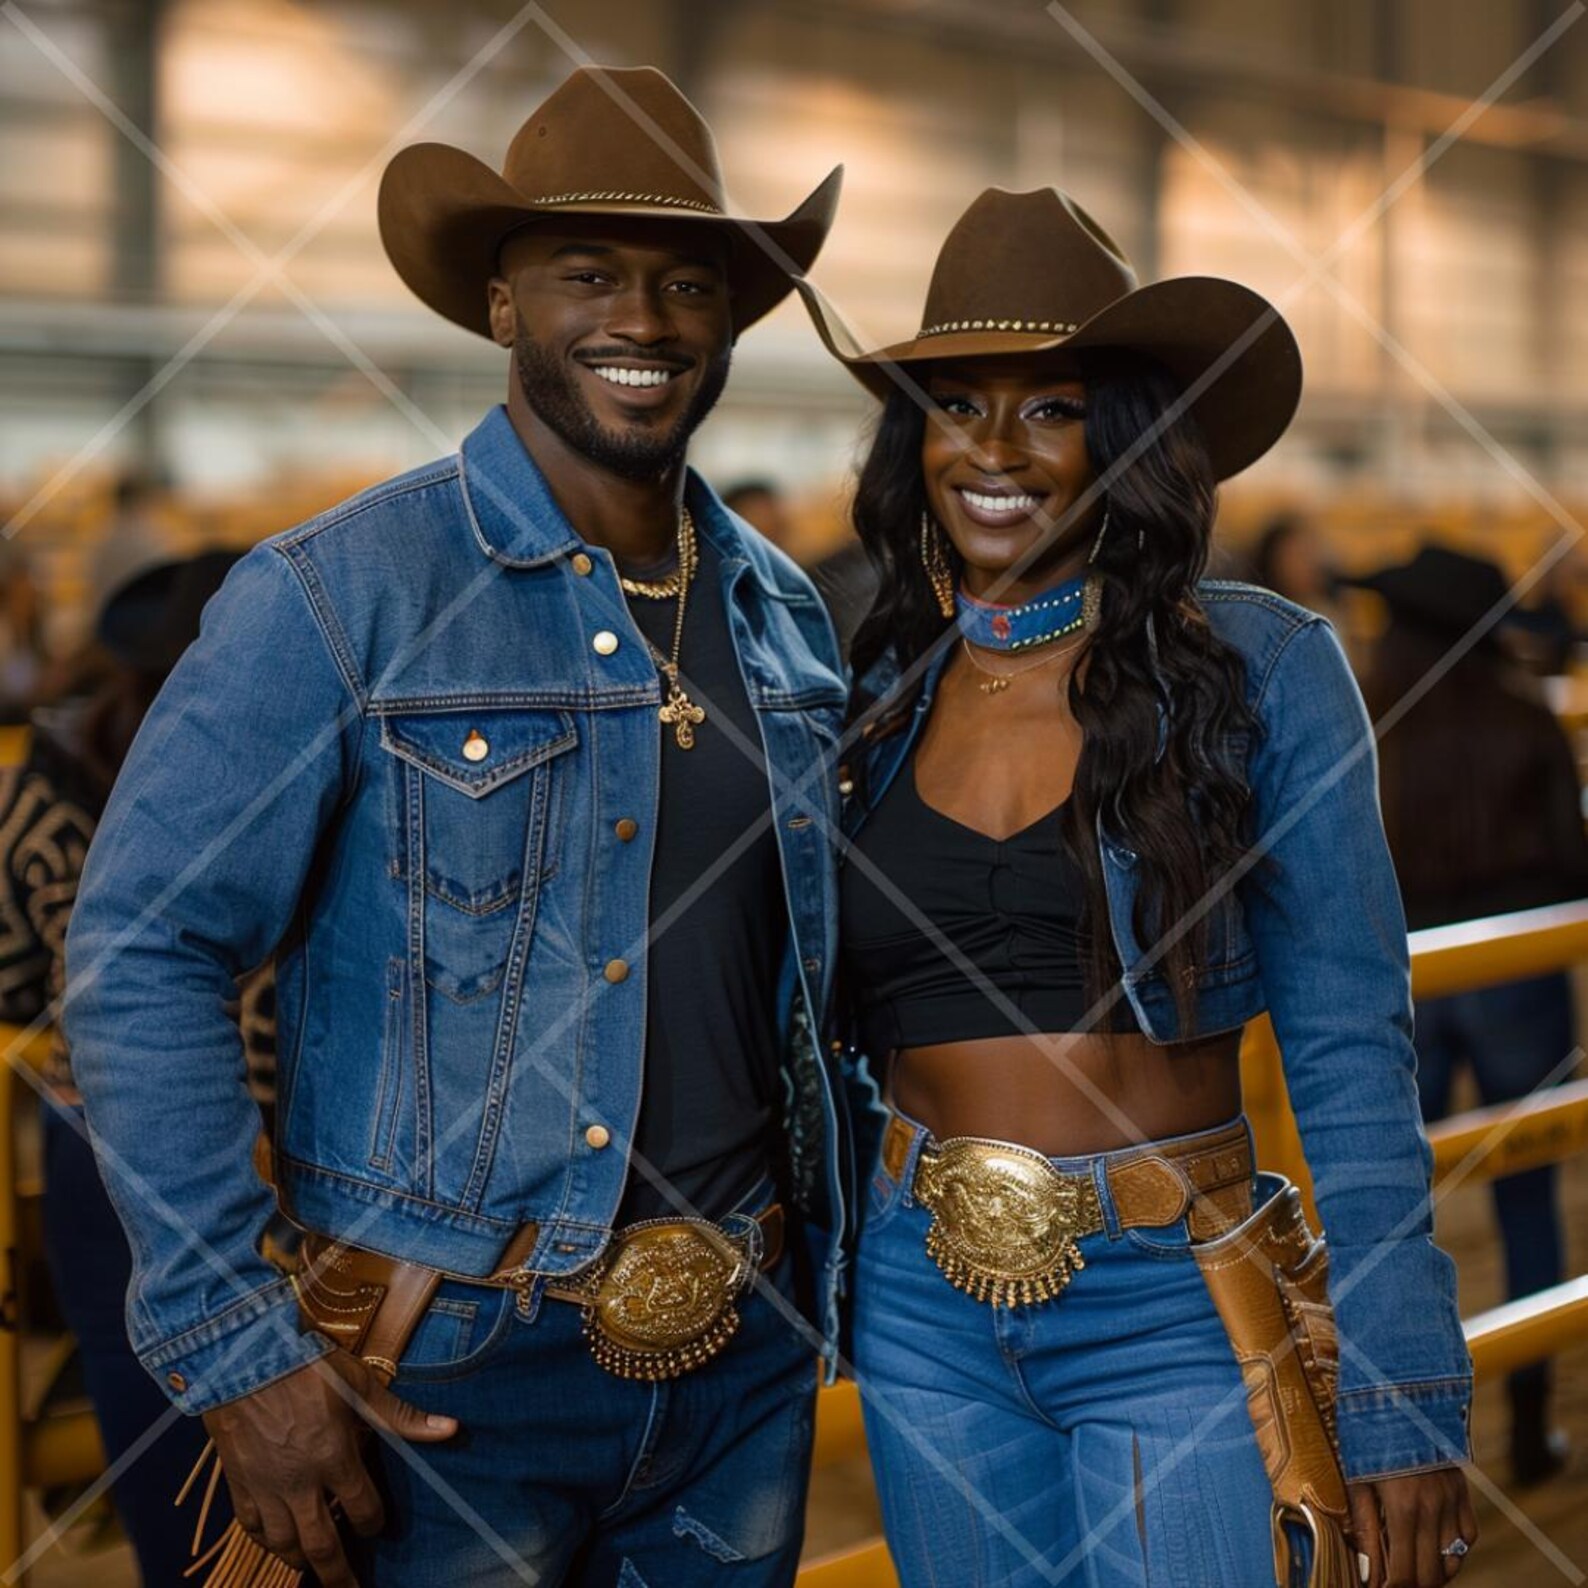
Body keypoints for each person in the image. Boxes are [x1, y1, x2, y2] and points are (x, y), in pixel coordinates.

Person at [65, 66, 848, 1587]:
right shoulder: (342, 594)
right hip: (446, 1369)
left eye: (688, 283)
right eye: (587, 275)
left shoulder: (780, 612)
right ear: (502, 305)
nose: (643, 317)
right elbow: (141, 952)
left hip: (742, 1349)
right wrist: (235, 1340)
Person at [801, 187, 1475, 1587]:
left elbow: (1352, 1041)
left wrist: (1402, 1380)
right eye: (956, 406)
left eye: (1051, 409)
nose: (994, 450)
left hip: (1173, 1301)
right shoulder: (870, 692)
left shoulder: (1262, 671)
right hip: (924, 1297)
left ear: (1126, 441)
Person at [0, 547, 247, 1584]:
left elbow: (14, 983)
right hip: (306, 1151)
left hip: (106, 1149)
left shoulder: (53, 784)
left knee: (176, 1490)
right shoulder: (296, 759)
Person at [1360, 543, 1586, 1489]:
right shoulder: (1524, 721)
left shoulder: (1373, 727)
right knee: (1525, 1195)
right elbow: (1574, 862)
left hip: (1403, 975)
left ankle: (1395, 1443)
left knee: (1389, 1205)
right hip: (1517, 976)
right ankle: (1531, 1425)